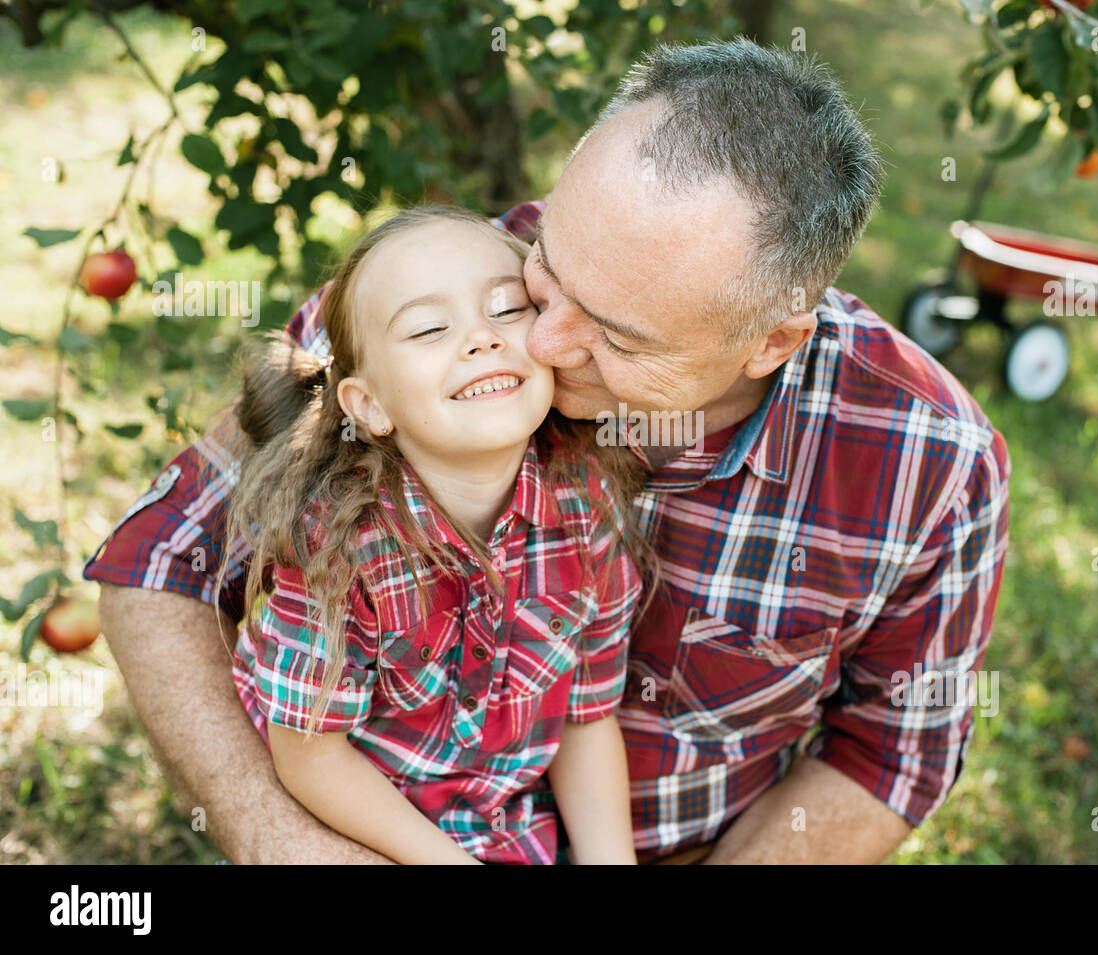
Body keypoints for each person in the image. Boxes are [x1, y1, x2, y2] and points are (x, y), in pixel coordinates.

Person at [88, 38, 1011, 865]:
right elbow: (158, 558)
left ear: (769, 342)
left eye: (618, 336)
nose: (539, 338)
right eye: (550, 270)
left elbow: (891, 753)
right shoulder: (443, 293)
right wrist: (273, 833)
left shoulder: (931, 464)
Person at [219, 205, 649, 864]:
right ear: (369, 405)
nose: (481, 338)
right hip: (350, 835)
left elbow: (586, 720)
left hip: (502, 834)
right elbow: (310, 756)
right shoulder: (339, 547)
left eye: (507, 310)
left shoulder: (587, 512)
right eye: (428, 327)